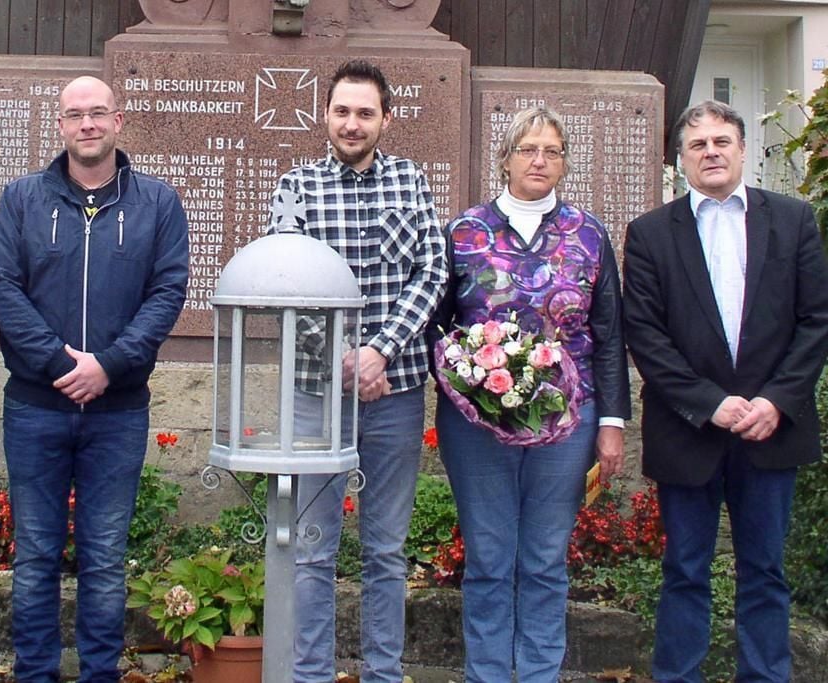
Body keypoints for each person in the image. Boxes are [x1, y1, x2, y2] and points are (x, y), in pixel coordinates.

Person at [0, 75, 189, 682]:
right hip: (35, 407)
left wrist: (109, 365)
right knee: (37, 557)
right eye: (75, 115)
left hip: (117, 410)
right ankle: (35, 674)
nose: (88, 125)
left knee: (104, 558)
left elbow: (167, 290)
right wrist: (59, 365)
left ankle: (100, 674)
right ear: (61, 125)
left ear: (118, 120)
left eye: (98, 113)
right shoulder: (22, 198)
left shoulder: (157, 203)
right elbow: (3, 287)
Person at [623, 100, 828, 682]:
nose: (710, 152)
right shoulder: (650, 234)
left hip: (771, 429)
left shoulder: (793, 220)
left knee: (765, 570)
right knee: (685, 568)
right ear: (680, 159)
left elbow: (816, 320)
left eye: (721, 142)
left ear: (742, 150)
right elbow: (646, 332)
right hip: (689, 430)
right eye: (697, 145)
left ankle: (765, 676)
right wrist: (708, 402)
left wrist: (777, 400)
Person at [432, 106, 630, 682]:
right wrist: (466, 377)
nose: (539, 160)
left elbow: (610, 332)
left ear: (564, 163)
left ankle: (540, 673)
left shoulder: (588, 234)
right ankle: (489, 674)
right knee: (490, 558)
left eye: (551, 151)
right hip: (479, 426)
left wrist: (613, 420)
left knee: (544, 560)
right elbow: (438, 326)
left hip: (568, 423)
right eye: (528, 149)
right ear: (506, 158)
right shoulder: (463, 232)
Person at [267, 58, 447, 683]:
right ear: (325, 115)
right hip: (317, 392)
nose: (352, 122)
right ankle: (311, 674)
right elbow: (284, 285)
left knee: (387, 551)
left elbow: (432, 274)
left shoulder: (412, 183)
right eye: (341, 110)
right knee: (312, 549)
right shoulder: (296, 187)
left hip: (394, 393)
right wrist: (344, 359)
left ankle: (383, 674)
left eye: (365, 112)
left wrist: (381, 351)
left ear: (386, 119)